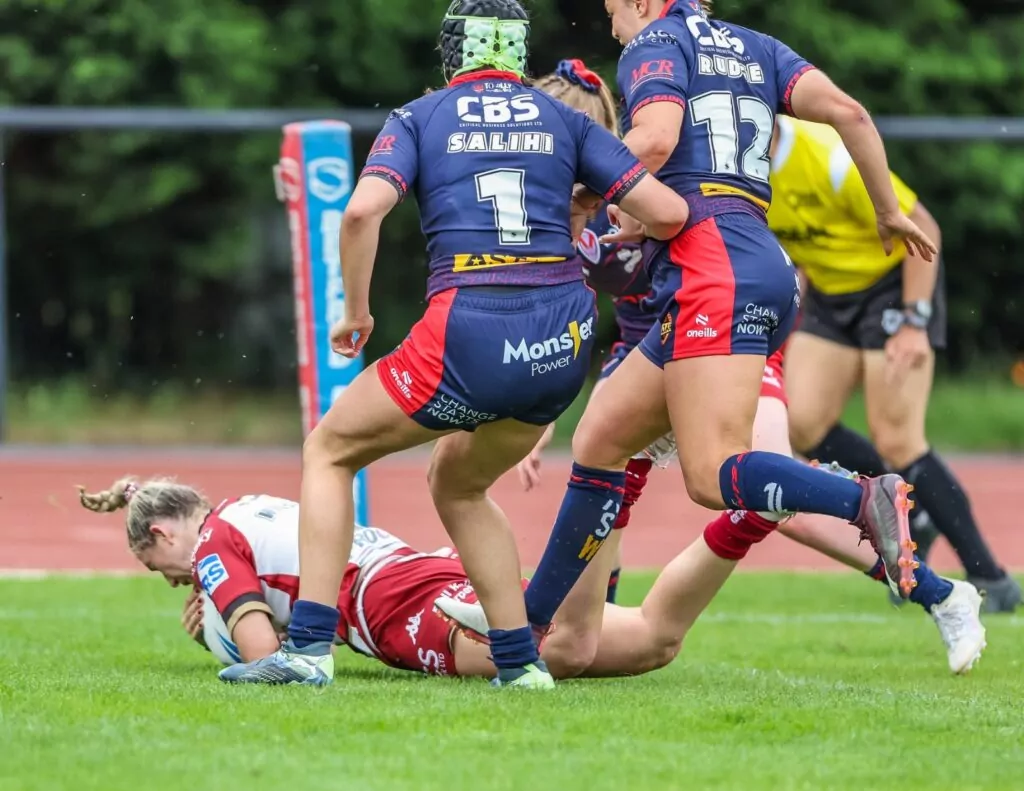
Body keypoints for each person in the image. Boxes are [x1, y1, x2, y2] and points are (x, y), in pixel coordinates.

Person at [438, 0, 940, 651]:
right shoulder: (756, 45)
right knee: (601, 438)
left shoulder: (655, 44)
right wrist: (887, 209)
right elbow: (851, 113)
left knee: (711, 476)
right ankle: (531, 618)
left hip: (714, 272)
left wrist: (574, 194)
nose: (612, 22)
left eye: (614, 9)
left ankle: (864, 498)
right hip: (752, 261)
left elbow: (654, 141)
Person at [217, 0, 690, 689]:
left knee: (330, 450)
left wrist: (357, 311)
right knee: (459, 482)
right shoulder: (565, 119)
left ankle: (309, 649)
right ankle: (519, 662)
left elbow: (362, 210)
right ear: (518, 53)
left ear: (451, 55)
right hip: (564, 340)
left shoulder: (420, 117)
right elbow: (669, 213)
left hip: (470, 325)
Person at [516, 66, 986, 648]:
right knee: (605, 474)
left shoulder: (644, 175)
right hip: (647, 348)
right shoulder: (546, 209)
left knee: (777, 500)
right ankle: (583, 628)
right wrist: (540, 415)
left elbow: (715, 236)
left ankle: (942, 594)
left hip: (723, 334)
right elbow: (563, 313)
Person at [76, 476, 986, 678]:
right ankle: (746, 516)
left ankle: (612, 486)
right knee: (653, 644)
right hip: (423, 574)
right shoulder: (253, 505)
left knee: (564, 647)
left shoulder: (213, 542)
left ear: (161, 531)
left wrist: (224, 623)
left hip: (400, 606)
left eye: (159, 565)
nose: (173, 580)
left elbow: (265, 655)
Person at [766, 115, 1021, 613]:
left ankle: (990, 575)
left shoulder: (827, 158)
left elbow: (924, 226)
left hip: (891, 285)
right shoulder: (733, 170)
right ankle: (913, 511)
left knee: (898, 439)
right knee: (803, 424)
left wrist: (914, 321)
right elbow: (800, 247)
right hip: (830, 297)